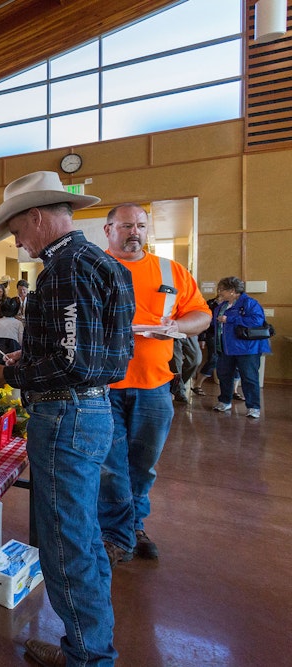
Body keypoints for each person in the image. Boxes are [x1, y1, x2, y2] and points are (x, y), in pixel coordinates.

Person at [0, 171, 135, 667]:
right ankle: (91, 645)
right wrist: (27, 358)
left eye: (16, 231)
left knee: (62, 542)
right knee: (83, 536)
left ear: (37, 217)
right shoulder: (106, 264)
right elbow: (105, 357)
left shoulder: (63, 268)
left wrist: (6, 373)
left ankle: (87, 657)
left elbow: (71, 363)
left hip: (66, 416)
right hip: (95, 408)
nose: (17, 242)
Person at [96, 203, 210, 570]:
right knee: (112, 467)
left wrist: (176, 328)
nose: (135, 232)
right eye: (127, 225)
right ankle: (115, 535)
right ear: (108, 229)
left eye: (141, 226)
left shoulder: (170, 270)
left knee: (143, 467)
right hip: (104, 385)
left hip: (154, 386)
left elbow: (201, 314)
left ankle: (133, 527)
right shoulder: (94, 269)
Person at [213, 276, 270, 418]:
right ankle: (225, 401)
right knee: (224, 375)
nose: (220, 292)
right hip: (226, 347)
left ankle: (253, 407)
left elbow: (257, 320)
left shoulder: (250, 303)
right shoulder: (222, 305)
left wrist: (231, 319)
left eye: (222, 290)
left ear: (232, 291)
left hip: (247, 348)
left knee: (249, 377)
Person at [193, 295, 220, 395]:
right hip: (212, 334)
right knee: (213, 358)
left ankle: (234, 390)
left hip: (229, 336)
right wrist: (202, 338)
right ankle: (198, 384)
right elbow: (204, 322)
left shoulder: (237, 304)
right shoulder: (211, 303)